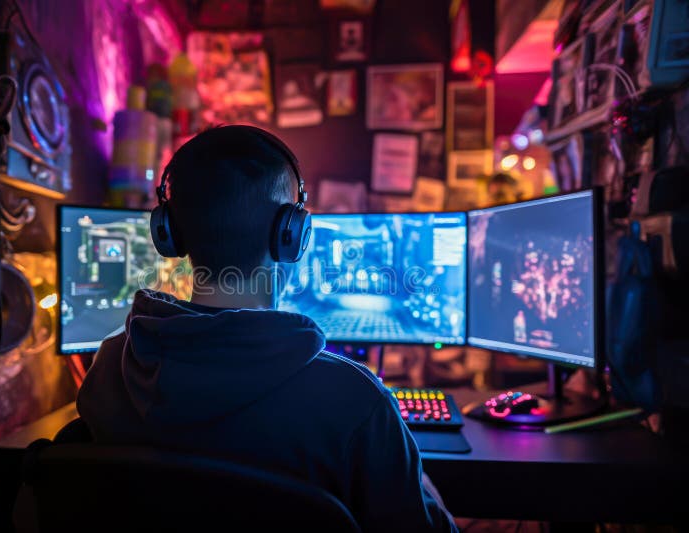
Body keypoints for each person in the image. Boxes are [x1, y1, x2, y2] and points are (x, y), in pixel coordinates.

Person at [76, 125, 457, 532]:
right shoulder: (356, 400)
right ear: (291, 236)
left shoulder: (111, 365)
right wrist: (422, 485)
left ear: (169, 233)